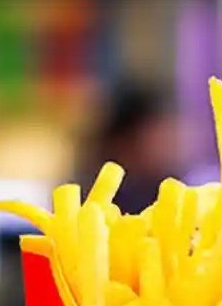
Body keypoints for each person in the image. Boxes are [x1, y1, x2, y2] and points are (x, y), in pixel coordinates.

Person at [79, 82, 184, 214]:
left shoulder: (177, 191)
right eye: (159, 136)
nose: (170, 144)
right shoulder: (96, 201)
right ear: (124, 143)